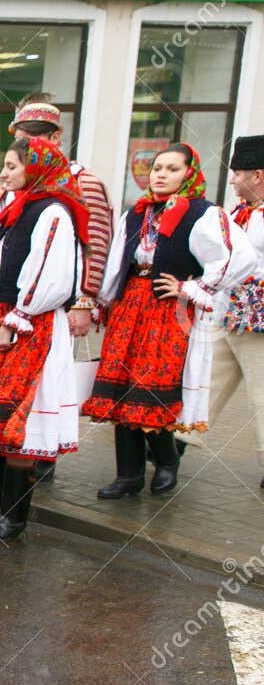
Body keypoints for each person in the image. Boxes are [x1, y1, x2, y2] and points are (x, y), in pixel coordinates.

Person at [0, 96, 114, 485]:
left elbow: (93, 243)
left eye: (35, 136)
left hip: (43, 305)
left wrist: (84, 300)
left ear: (55, 138)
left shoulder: (82, 182)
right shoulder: (21, 184)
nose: (26, 142)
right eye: (21, 135)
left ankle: (34, 461)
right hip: (5, 298)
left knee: (37, 389)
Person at [83, 144, 255, 498]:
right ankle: (128, 475)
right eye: (157, 167)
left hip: (168, 311)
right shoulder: (137, 213)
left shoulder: (202, 214)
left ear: (189, 174)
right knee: (122, 386)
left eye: (172, 169)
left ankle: (166, 460)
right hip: (130, 306)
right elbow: (117, 262)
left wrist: (194, 287)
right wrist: (101, 300)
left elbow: (239, 259)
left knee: (153, 384)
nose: (161, 174)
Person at [0, 138, 86, 540]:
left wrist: (20, 314)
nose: (3, 173)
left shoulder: (53, 211)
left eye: (12, 166)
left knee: (19, 420)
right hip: (1, 317)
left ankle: (15, 515)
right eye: (4, 165)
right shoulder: (20, 207)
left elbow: (51, 275)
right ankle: (1, 491)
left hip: (30, 325)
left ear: (36, 168)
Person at [199, 135, 264, 487]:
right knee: (207, 378)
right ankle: (179, 438)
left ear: (258, 175)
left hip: (259, 320)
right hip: (227, 312)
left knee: (261, 393)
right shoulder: (238, 211)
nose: (233, 181)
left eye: (238, 173)